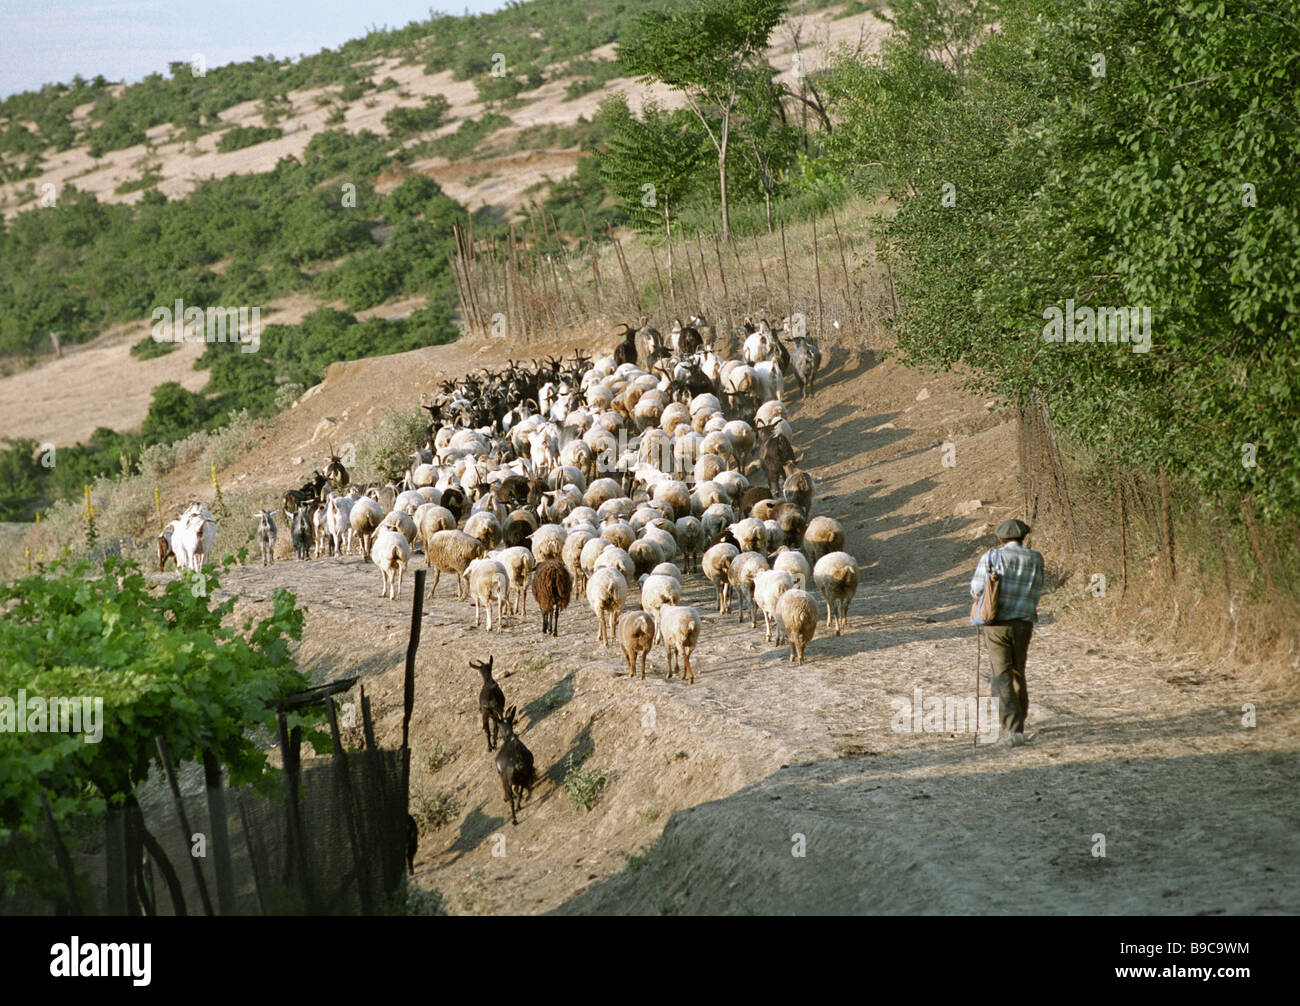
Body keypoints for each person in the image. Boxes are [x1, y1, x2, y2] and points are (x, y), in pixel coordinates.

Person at [970, 518, 1044, 745]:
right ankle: (1019, 724)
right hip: (1024, 623)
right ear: (1023, 537)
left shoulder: (992, 557)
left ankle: (1011, 730)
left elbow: (976, 588)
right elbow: (1038, 587)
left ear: (1001, 538)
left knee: (1001, 675)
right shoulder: (1035, 558)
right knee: (1018, 671)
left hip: (997, 624)